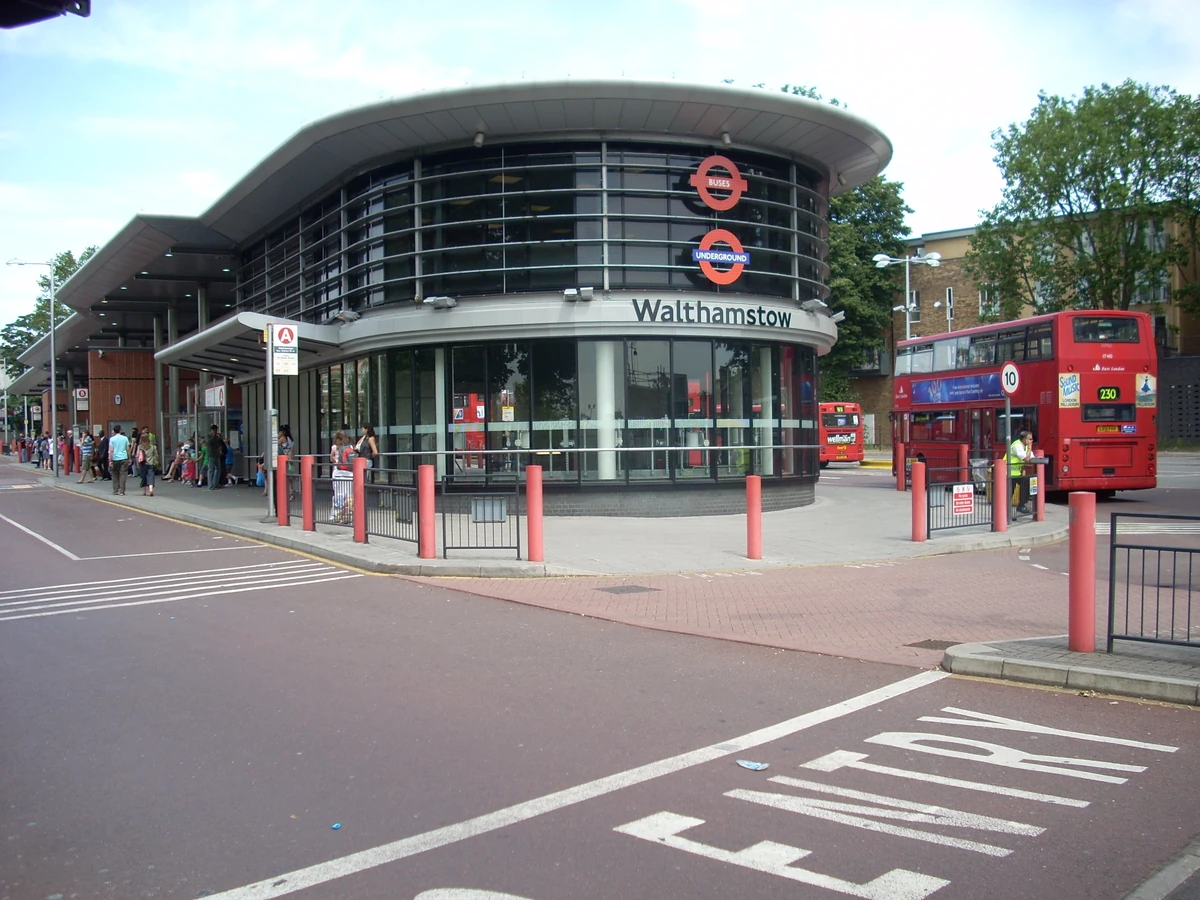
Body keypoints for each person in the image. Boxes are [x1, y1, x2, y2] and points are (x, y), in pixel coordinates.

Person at [1008, 429, 1034, 515]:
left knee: (1028, 482)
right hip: (1007, 473)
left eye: (1031, 439)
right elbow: (1026, 459)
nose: (1031, 441)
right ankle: (1007, 514)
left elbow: (1032, 458)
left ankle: (1021, 505)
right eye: (1029, 439)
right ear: (1024, 439)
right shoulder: (1017, 445)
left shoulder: (1025, 446)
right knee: (1008, 494)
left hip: (1016, 474)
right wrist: (1030, 448)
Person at [108, 425, 131, 495]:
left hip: (115, 458)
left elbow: (111, 450)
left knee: (115, 474)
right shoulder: (125, 438)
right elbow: (128, 449)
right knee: (123, 474)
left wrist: (110, 460)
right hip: (124, 458)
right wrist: (129, 458)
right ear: (120, 430)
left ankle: (115, 490)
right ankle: (122, 491)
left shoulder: (112, 439)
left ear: (114, 431)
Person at [137, 432, 159, 497]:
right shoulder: (153, 447)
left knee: (144, 477)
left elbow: (138, 456)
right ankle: (151, 489)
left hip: (143, 463)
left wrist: (137, 463)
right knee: (151, 476)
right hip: (151, 463)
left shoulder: (140, 447)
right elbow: (156, 455)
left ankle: (144, 491)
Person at [205, 425, 225, 490]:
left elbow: (220, 443)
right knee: (211, 470)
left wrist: (220, 438)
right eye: (214, 430)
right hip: (211, 455)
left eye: (216, 430)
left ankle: (215, 484)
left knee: (218, 470)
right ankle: (211, 485)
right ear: (212, 430)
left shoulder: (217, 437)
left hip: (217, 455)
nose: (216, 431)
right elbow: (208, 442)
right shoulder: (208, 436)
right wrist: (214, 436)